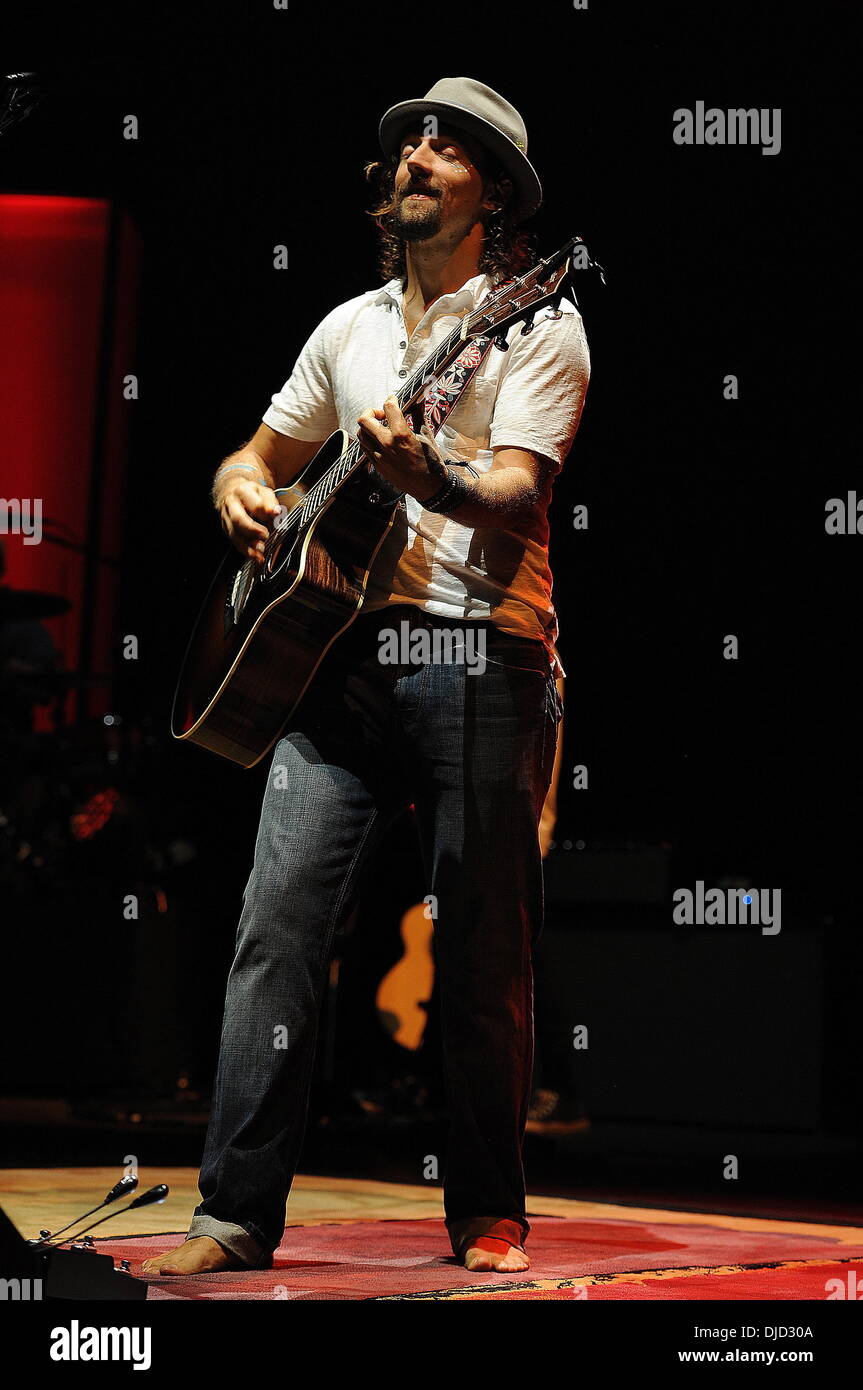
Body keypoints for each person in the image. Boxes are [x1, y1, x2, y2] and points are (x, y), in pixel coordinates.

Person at [143, 77, 589, 1279]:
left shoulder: (536, 320)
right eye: (408, 143)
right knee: (270, 926)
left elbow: (516, 494)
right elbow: (260, 451)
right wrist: (238, 488)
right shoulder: (345, 330)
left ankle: (487, 1210)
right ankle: (230, 1214)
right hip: (336, 664)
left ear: (492, 195)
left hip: (481, 652)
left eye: (449, 148)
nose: (417, 155)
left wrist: (431, 480)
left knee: (481, 949)